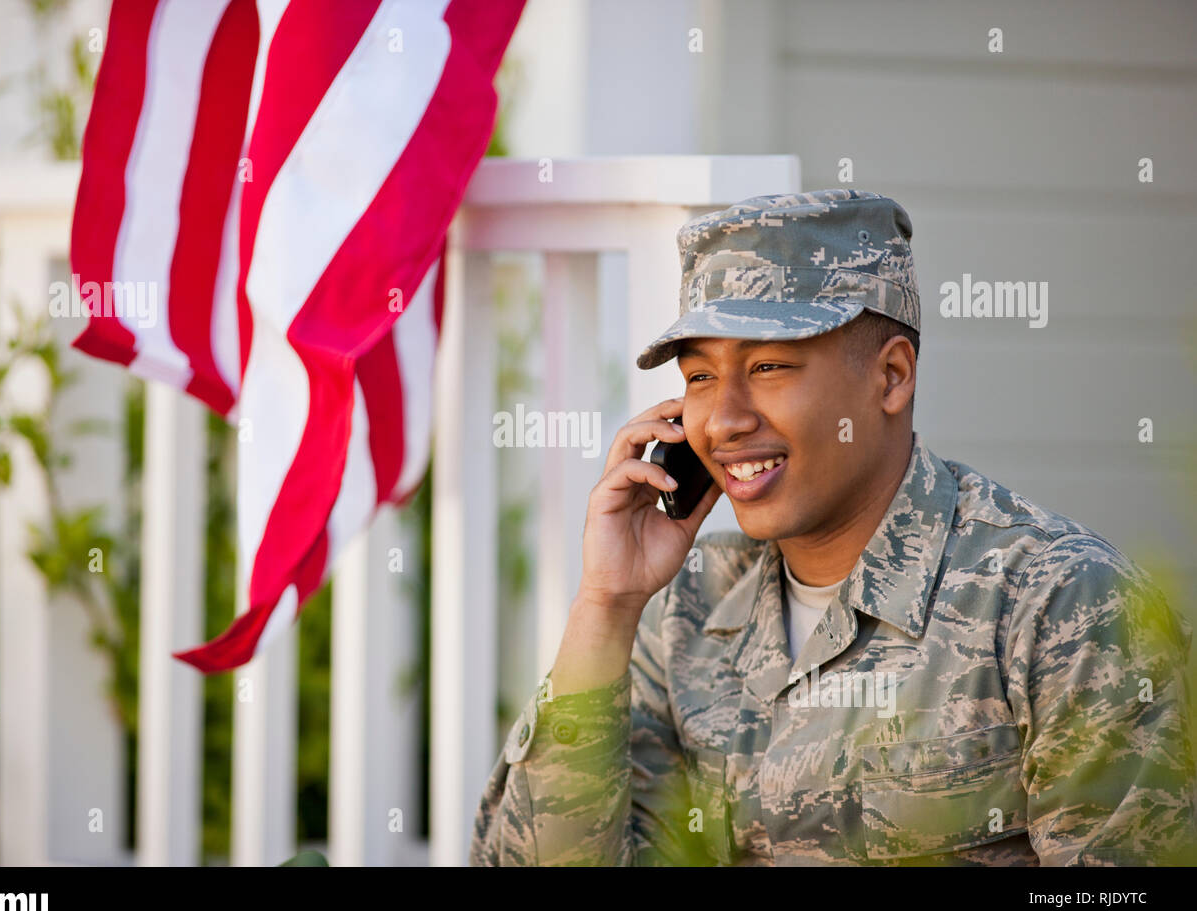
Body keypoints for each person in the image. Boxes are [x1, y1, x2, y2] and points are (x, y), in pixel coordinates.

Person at [467, 188, 1196, 866]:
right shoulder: (684, 612)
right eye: (699, 378)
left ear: (891, 377)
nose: (723, 420)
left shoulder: (1060, 603)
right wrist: (607, 604)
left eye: (772, 366)